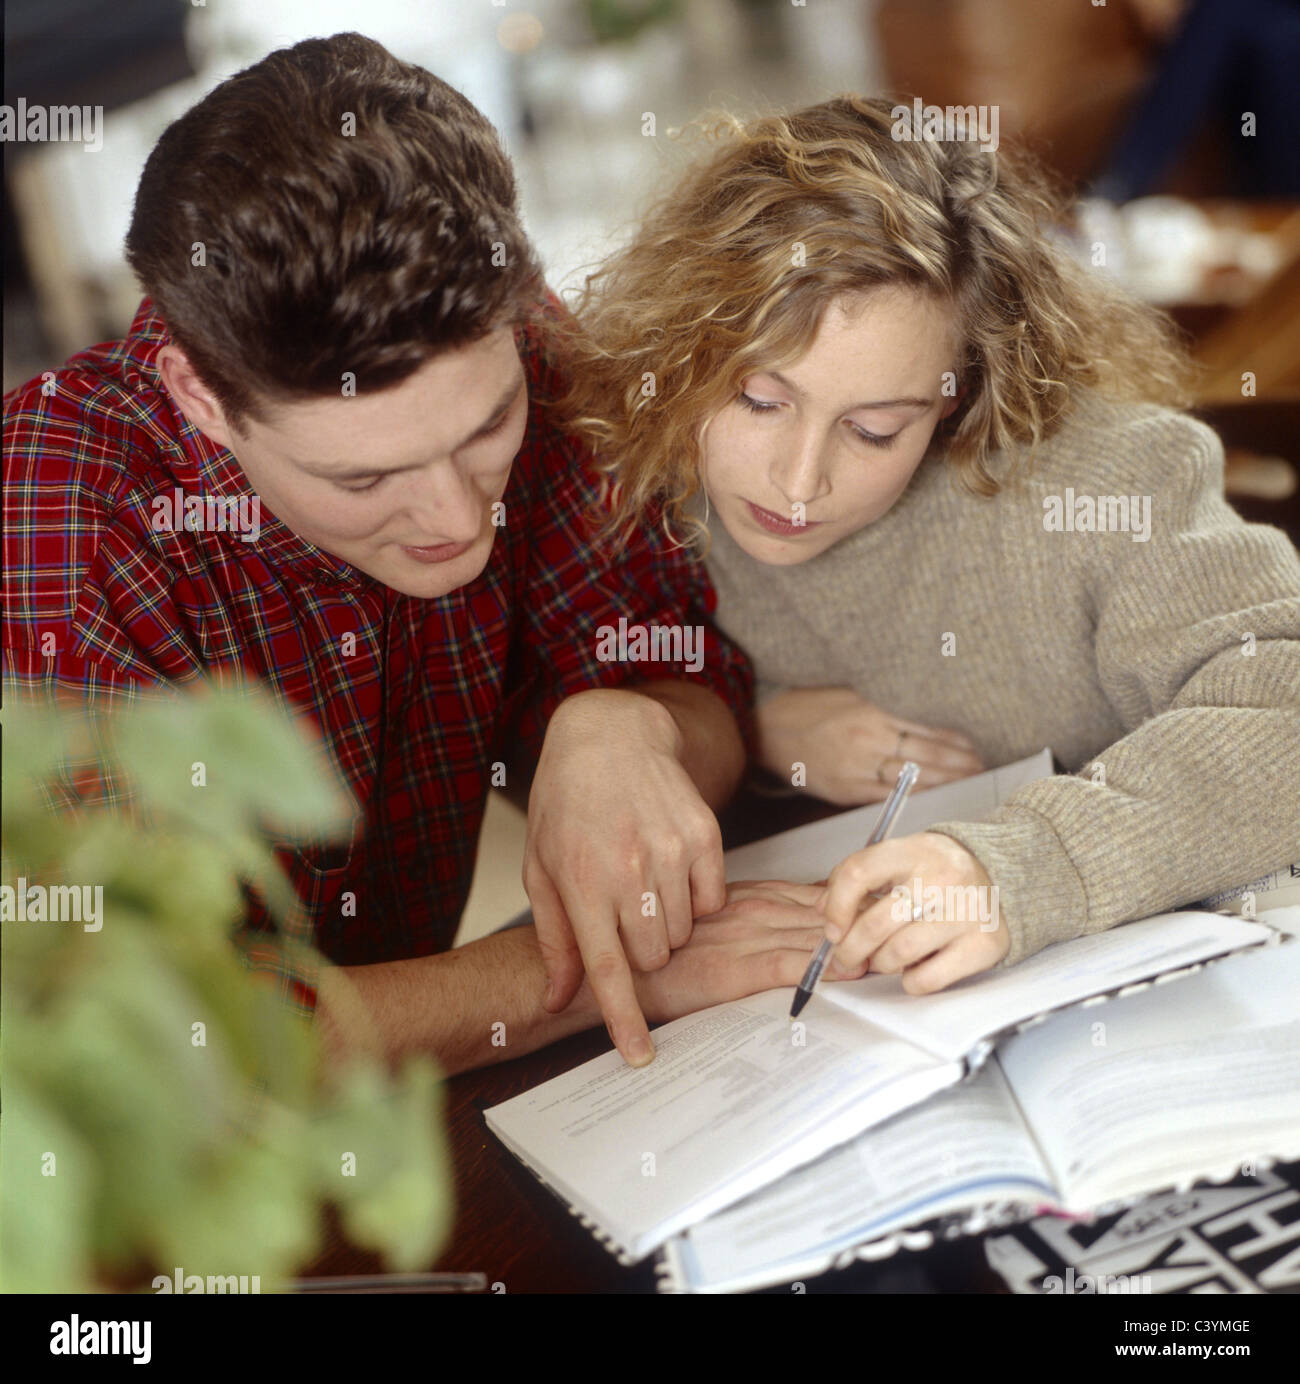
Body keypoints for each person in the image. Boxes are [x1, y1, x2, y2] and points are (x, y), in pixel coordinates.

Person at [1, 34, 855, 1075]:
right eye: (363, 480)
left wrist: (623, 727)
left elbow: (687, 679)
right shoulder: (51, 515)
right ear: (199, 396)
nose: (455, 515)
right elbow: (161, 1035)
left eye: (487, 429)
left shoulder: (512, 341)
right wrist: (600, 977)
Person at [555, 94, 1300, 994]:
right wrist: (760, 727)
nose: (798, 482)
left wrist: (1021, 869)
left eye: (874, 429)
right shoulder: (643, 479)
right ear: (682, 349)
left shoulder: (1108, 481)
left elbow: (1283, 713)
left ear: (955, 394)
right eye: (758, 401)